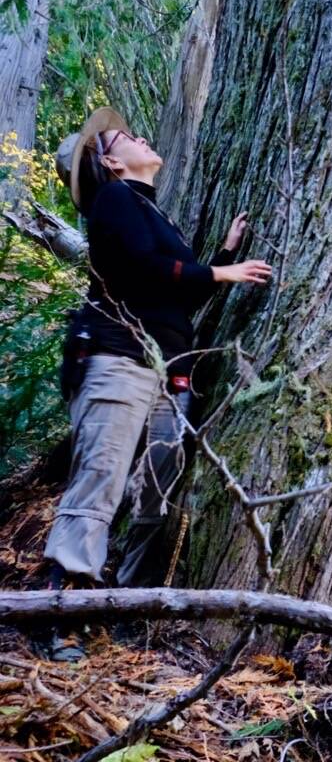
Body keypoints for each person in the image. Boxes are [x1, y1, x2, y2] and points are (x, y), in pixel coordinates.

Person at [37, 107, 272, 660]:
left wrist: (223, 257)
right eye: (125, 137)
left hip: (168, 368)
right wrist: (219, 272)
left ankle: (124, 611)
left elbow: (178, 294)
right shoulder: (113, 201)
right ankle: (58, 613)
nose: (141, 135)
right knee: (101, 476)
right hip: (118, 359)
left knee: (157, 492)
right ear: (112, 163)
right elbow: (141, 269)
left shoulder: (149, 211)